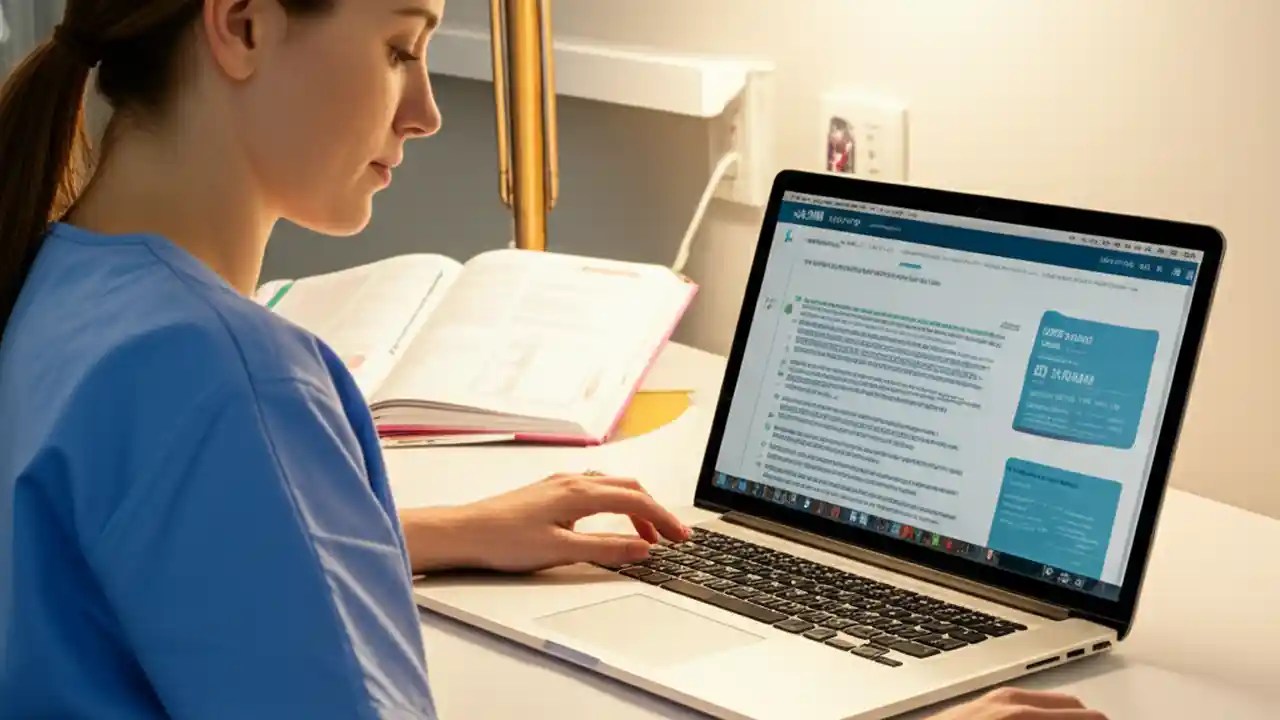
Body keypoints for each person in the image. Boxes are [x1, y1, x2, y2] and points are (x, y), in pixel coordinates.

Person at [0, 1, 1108, 718]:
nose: (426, 110)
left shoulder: (56, 280)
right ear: (240, 24)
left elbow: (145, 553)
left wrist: (427, 532)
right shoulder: (230, 375)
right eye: (399, 48)